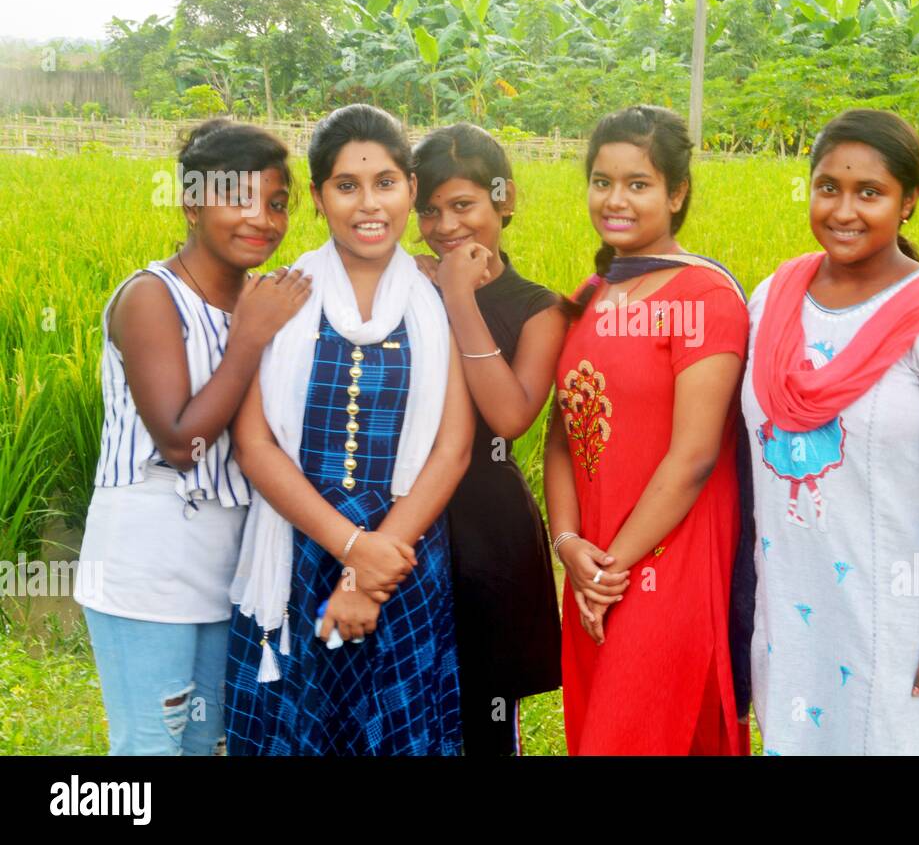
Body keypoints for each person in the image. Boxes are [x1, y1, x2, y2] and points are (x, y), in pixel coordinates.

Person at [742, 108, 919, 755]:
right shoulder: (770, 301)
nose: (844, 210)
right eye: (828, 187)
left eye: (871, 193)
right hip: (790, 610)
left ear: (909, 201)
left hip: (900, 621)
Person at [224, 104, 475, 756]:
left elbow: (453, 449)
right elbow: (255, 446)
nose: (369, 204)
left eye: (386, 182)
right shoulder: (279, 296)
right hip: (301, 554)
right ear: (317, 196)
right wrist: (349, 550)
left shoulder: (438, 298)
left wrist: (371, 569)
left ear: (411, 189)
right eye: (346, 185)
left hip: (403, 557)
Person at [74, 119, 310, 755]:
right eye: (240, 199)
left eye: (278, 202)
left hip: (226, 561)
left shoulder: (262, 300)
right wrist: (251, 339)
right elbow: (181, 441)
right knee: (153, 744)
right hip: (148, 558)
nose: (262, 218)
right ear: (192, 203)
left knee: (206, 742)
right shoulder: (152, 298)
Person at [544, 104, 750, 755]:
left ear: (677, 192)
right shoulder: (591, 291)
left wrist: (613, 570)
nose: (615, 200)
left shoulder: (706, 300)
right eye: (602, 181)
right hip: (594, 561)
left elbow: (692, 458)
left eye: (638, 184)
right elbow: (561, 431)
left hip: (665, 566)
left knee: (639, 730)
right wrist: (570, 544)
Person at [411, 123, 565, 755]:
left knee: (485, 715)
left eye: (464, 205)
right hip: (404, 524)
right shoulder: (402, 286)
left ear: (505, 199)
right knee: (409, 696)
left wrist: (455, 296)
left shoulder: (541, 308)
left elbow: (508, 416)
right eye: (429, 209)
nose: (446, 224)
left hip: (485, 534)